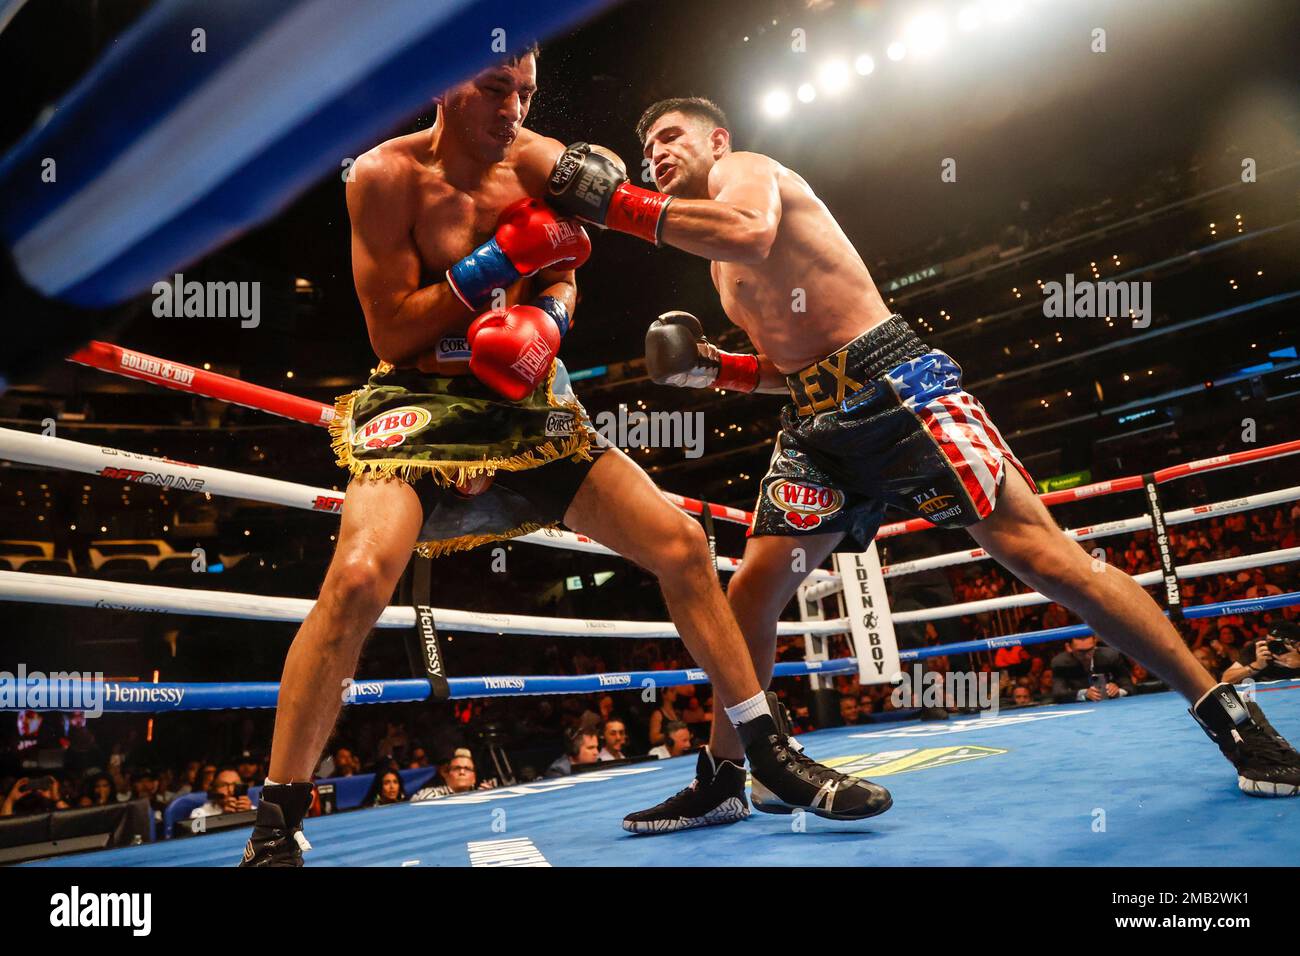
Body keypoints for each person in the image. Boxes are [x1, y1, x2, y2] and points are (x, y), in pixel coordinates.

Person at [540, 96, 1300, 829]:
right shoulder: (715, 266)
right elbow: (786, 363)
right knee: (752, 591)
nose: (655, 155)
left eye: (671, 136)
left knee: (1044, 557)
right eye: (645, 152)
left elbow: (750, 228)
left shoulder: (749, 172)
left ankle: (1231, 718)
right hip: (816, 422)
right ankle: (727, 775)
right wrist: (718, 370)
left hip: (896, 389)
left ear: (716, 140)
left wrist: (623, 205)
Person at [240, 58, 885, 865]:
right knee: (361, 578)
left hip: (529, 395)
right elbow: (393, 333)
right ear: (444, 82)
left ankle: (761, 754)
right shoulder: (381, 175)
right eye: (494, 90)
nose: (514, 109)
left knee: (683, 545)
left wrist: (546, 318)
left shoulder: (542, 161)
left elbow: (567, 268)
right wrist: (493, 267)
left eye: (527, 92)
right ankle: (276, 823)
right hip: (424, 397)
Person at [1049, 636, 1135, 703]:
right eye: (1081, 652)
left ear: (1095, 643)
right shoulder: (1060, 663)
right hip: (1080, 710)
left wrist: (1117, 691)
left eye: (1090, 650)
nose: (1086, 656)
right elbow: (1058, 694)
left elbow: (1128, 686)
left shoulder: (1111, 656)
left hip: (1111, 707)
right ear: (1069, 647)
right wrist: (1084, 694)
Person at [1223, 621, 1300, 685]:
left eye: (1281, 642)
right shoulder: (1259, 647)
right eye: (1271, 641)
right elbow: (1226, 679)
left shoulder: (1297, 650)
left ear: (1296, 644)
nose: (1276, 645)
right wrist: (1256, 665)